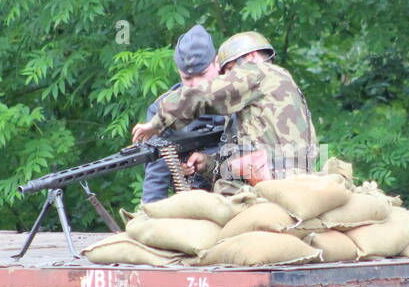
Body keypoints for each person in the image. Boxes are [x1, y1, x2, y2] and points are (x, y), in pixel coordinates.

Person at [131, 30, 317, 185]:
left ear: (251, 57)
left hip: (275, 184)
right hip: (293, 181)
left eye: (229, 70)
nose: (227, 77)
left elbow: (203, 94)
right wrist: (207, 163)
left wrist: (157, 123)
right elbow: (240, 159)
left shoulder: (259, 72)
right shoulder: (270, 91)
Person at [140, 25, 227, 204]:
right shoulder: (162, 109)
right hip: (192, 201)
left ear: (217, 63)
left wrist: (209, 161)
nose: (195, 85)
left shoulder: (239, 96)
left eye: (202, 74)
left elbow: (255, 154)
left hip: (238, 195)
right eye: (187, 78)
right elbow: (156, 174)